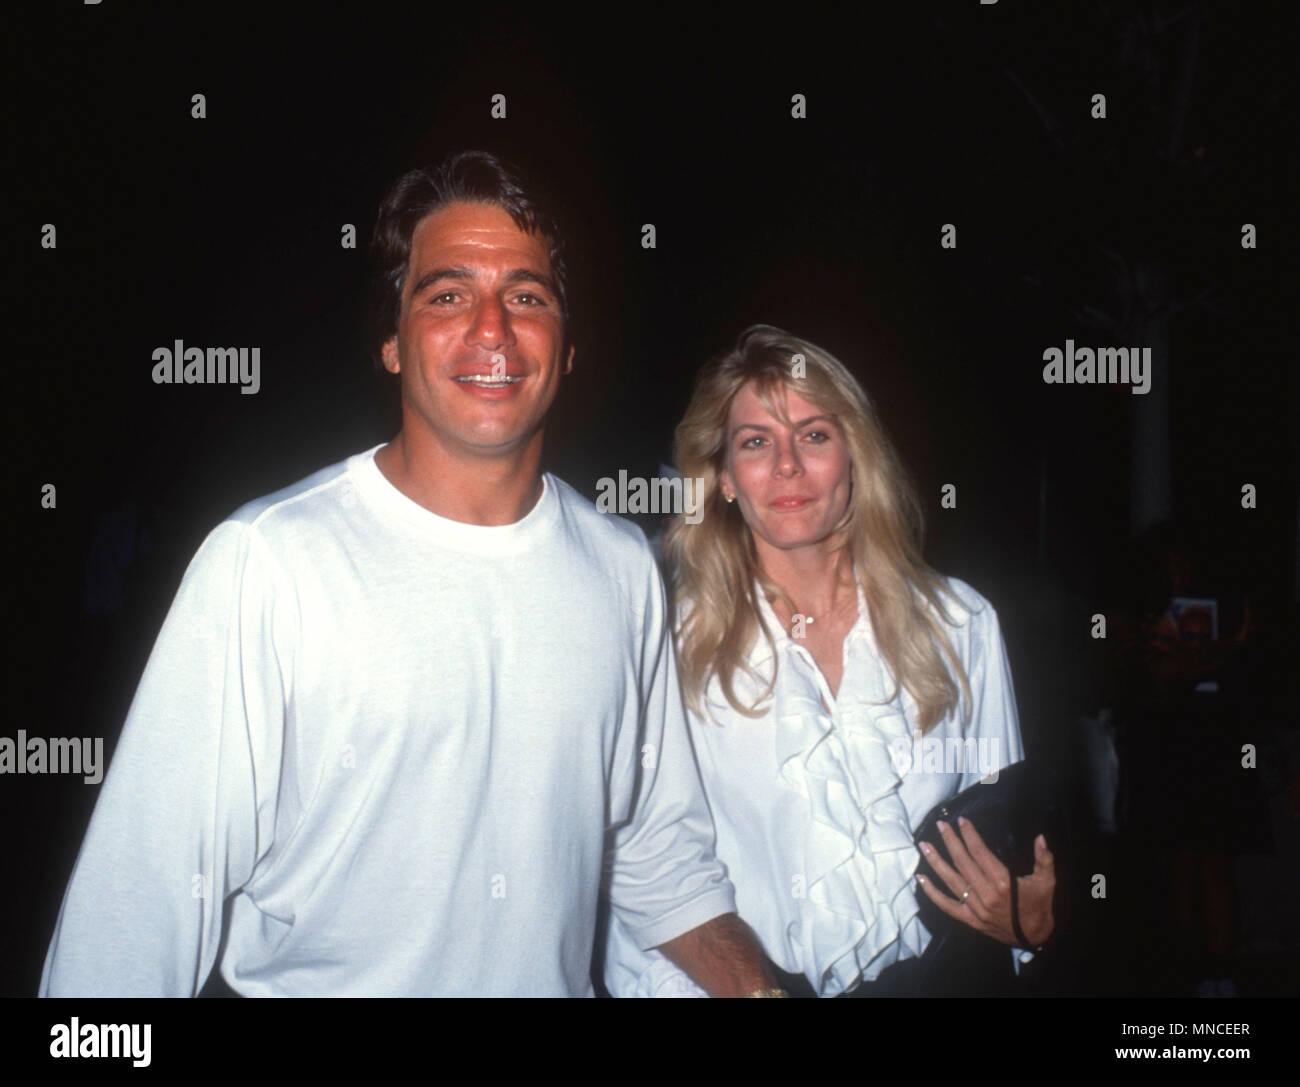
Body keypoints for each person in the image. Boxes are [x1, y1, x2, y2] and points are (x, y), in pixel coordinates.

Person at [39, 150, 777, 997]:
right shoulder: (271, 562)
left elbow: (654, 851)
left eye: (527, 296)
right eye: (447, 293)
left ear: (567, 348)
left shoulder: (621, 570)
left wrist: (762, 990)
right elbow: (137, 912)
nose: (492, 327)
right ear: (392, 342)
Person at [604, 325, 1057, 997]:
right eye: (756, 442)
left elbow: (1008, 839)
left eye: (814, 434)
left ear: (855, 456)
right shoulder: (668, 649)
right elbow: (641, 881)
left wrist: (1032, 925)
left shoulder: (962, 624)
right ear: (724, 475)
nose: (787, 465)